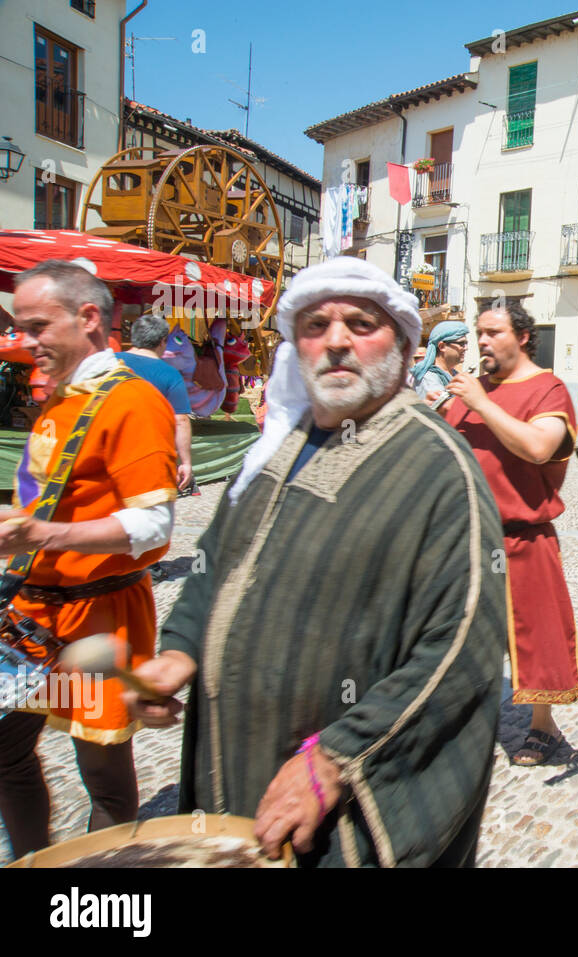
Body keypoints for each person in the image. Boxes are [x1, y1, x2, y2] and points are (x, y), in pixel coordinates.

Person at [126, 258, 507, 867]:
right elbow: (212, 564)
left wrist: (335, 758)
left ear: (405, 347)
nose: (335, 341)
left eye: (360, 323)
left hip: (336, 809)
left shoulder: (440, 469)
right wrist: (179, 650)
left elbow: (463, 648)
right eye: (315, 325)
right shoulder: (279, 450)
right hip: (234, 769)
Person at [0, 261, 177, 859]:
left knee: (102, 776)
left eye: (38, 326)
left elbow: (154, 526)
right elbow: (48, 499)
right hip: (30, 618)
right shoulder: (59, 400)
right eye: (21, 328)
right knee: (5, 751)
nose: (27, 342)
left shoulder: (132, 402)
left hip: (100, 617)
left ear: (90, 318)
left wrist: (42, 535)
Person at [442, 301, 578, 766]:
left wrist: (480, 403)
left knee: (534, 636)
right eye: (479, 333)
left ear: (523, 336)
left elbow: (539, 448)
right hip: (467, 537)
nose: (482, 342)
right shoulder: (470, 390)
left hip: (524, 535)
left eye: (494, 332)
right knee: (463, 637)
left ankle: (545, 728)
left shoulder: (548, 389)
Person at [118, 312, 194, 493]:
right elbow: (180, 420)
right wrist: (186, 462)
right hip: (148, 457)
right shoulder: (170, 374)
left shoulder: (109, 362)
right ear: (162, 341)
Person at [410, 319, 469, 401]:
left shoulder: (454, 374)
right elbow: (443, 408)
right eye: (461, 344)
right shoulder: (428, 378)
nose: (466, 348)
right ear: (442, 346)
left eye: (466, 343)